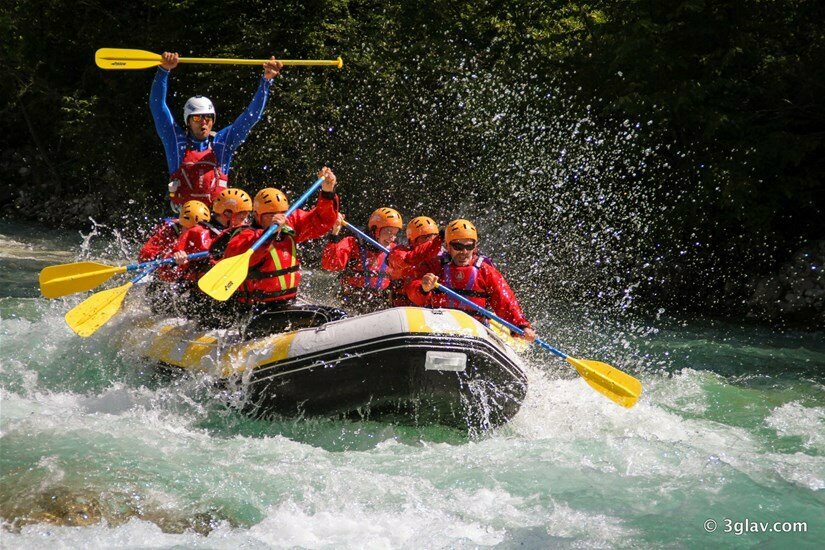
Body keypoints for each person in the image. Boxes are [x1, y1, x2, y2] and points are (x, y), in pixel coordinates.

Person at [150, 51, 283, 209]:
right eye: (197, 118)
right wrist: (163, 71)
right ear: (188, 121)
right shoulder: (176, 142)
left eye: (208, 118)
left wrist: (266, 81)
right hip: (185, 219)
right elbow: (157, 106)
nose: (203, 123)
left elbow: (251, 117)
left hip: (217, 221)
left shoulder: (222, 143)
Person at [221, 168, 346, 335]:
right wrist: (270, 234)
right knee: (333, 316)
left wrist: (327, 191)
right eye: (271, 215)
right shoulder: (245, 236)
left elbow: (322, 221)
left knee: (337, 315)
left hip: (287, 305)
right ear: (257, 216)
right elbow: (245, 257)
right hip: (257, 314)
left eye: (282, 213)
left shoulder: (290, 225)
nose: (279, 218)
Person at [407, 219, 537, 341]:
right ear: (447, 246)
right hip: (438, 326)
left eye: (469, 246)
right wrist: (423, 288)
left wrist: (521, 326)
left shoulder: (486, 271)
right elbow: (413, 293)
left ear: (475, 246)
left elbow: (505, 301)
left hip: (474, 329)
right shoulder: (434, 266)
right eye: (457, 246)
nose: (464, 251)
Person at [321, 207, 404, 314]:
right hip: (351, 304)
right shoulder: (353, 243)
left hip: (381, 306)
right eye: (388, 232)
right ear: (375, 230)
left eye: (395, 233)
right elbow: (330, 264)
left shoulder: (395, 251)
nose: (392, 237)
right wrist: (335, 232)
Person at [387, 216, 443, 307]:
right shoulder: (399, 253)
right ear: (412, 241)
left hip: (430, 311)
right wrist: (424, 289)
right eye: (426, 237)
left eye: (434, 236)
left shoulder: (439, 259)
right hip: (402, 309)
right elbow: (410, 258)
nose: (431, 240)